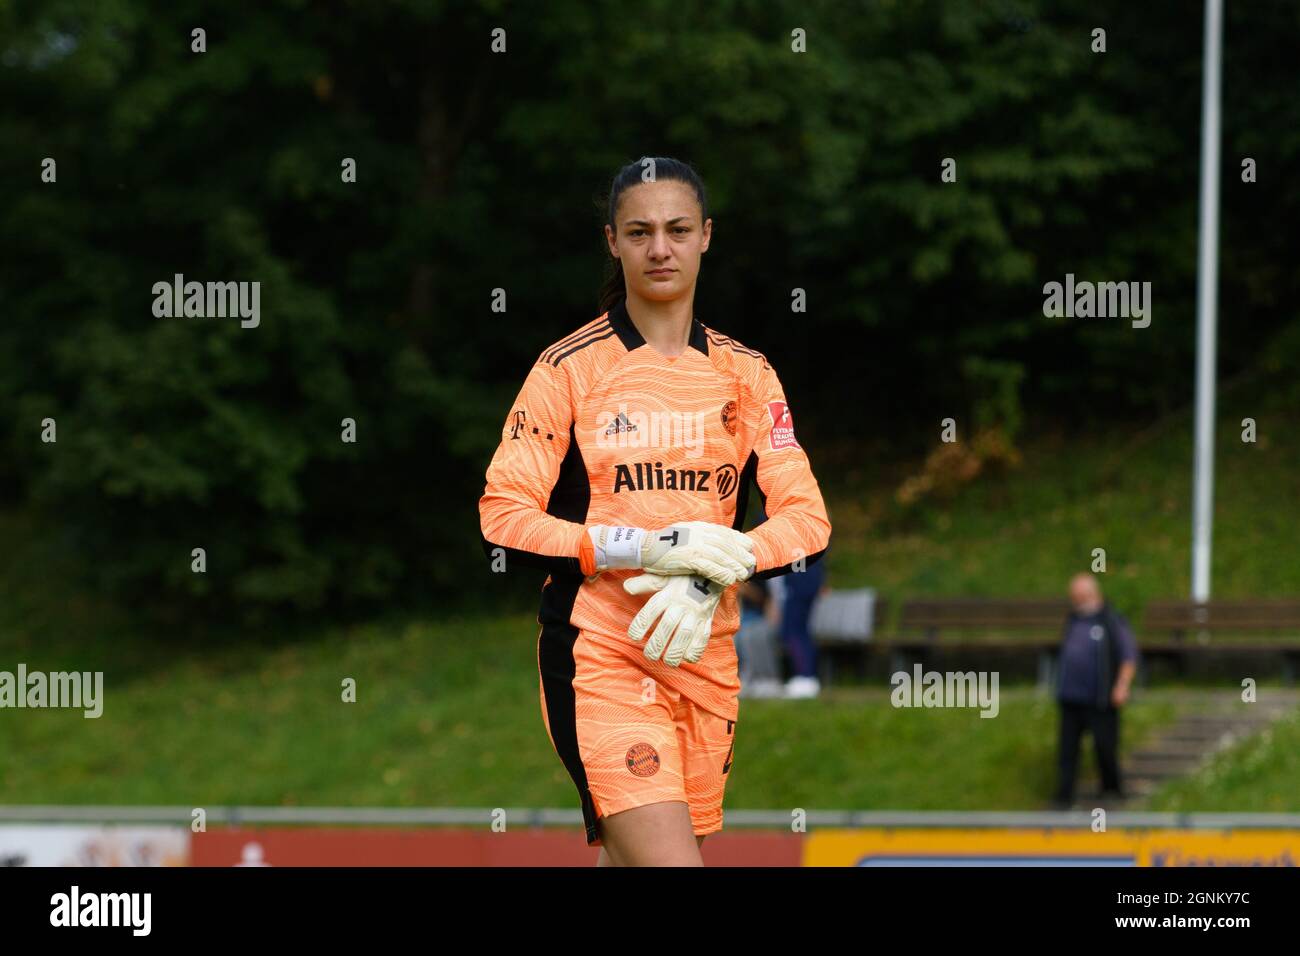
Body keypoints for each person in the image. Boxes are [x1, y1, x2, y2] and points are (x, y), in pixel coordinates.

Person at [479, 157, 831, 865]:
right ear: (613, 241)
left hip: (703, 651)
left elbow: (807, 521)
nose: (660, 248)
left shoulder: (748, 373)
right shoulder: (567, 369)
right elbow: (503, 515)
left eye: (676, 229)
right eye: (640, 232)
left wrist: (712, 570)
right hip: (598, 653)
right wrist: (639, 548)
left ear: (706, 235)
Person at [1053, 572, 1138, 807]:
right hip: (1071, 697)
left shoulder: (1111, 621)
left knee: (1105, 746)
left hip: (1100, 697)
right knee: (1067, 750)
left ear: (1094, 594)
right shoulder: (1074, 620)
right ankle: (1064, 796)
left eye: (1082, 596)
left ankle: (1111, 790)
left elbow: (1128, 656)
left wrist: (1121, 686)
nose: (1078, 601)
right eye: (1074, 597)